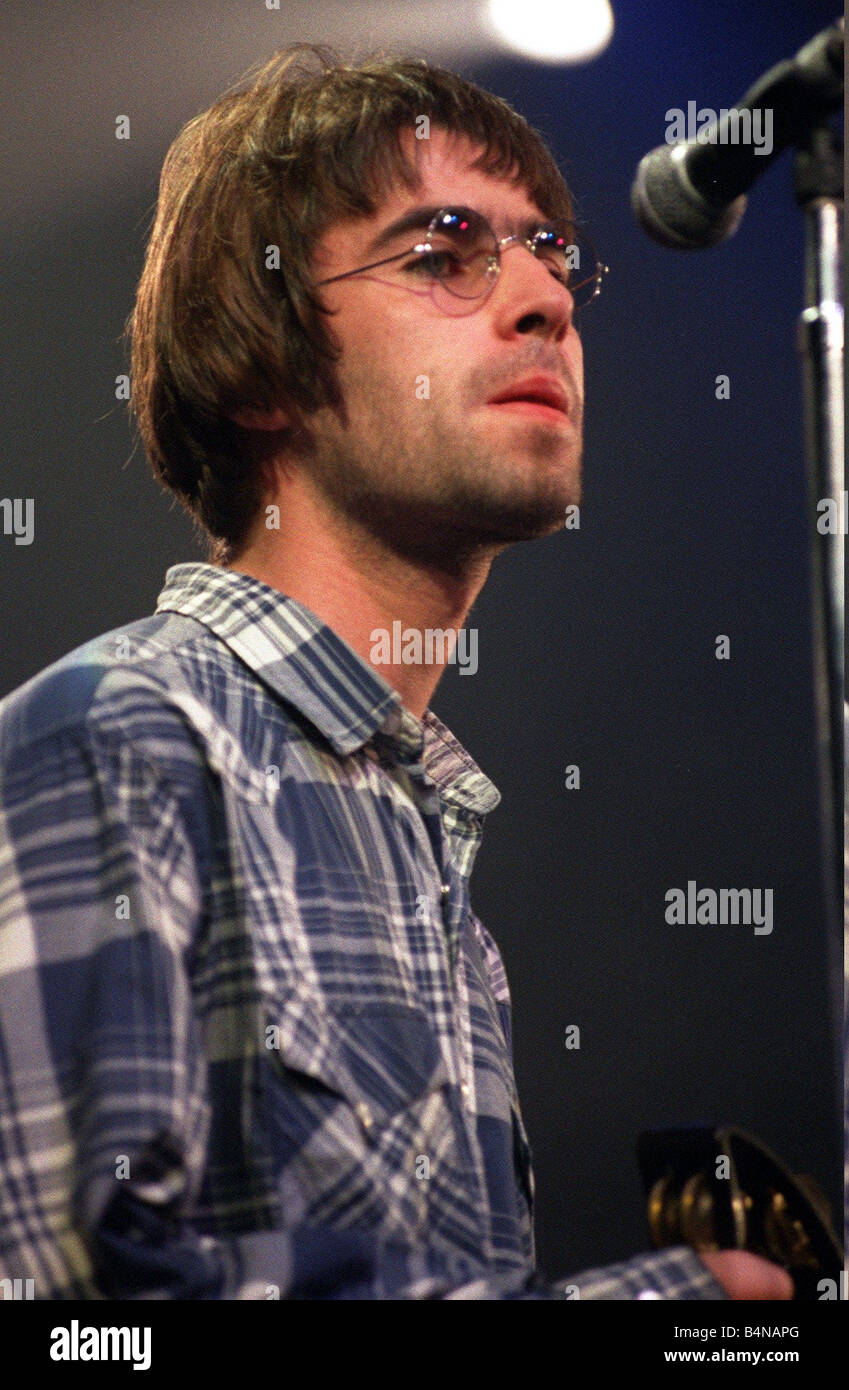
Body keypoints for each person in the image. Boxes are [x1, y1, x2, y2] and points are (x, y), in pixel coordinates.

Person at [0, 44, 792, 1300]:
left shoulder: (435, 868)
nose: (546, 298)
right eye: (444, 253)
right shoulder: (121, 737)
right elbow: (84, 1310)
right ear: (256, 358)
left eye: (548, 252)